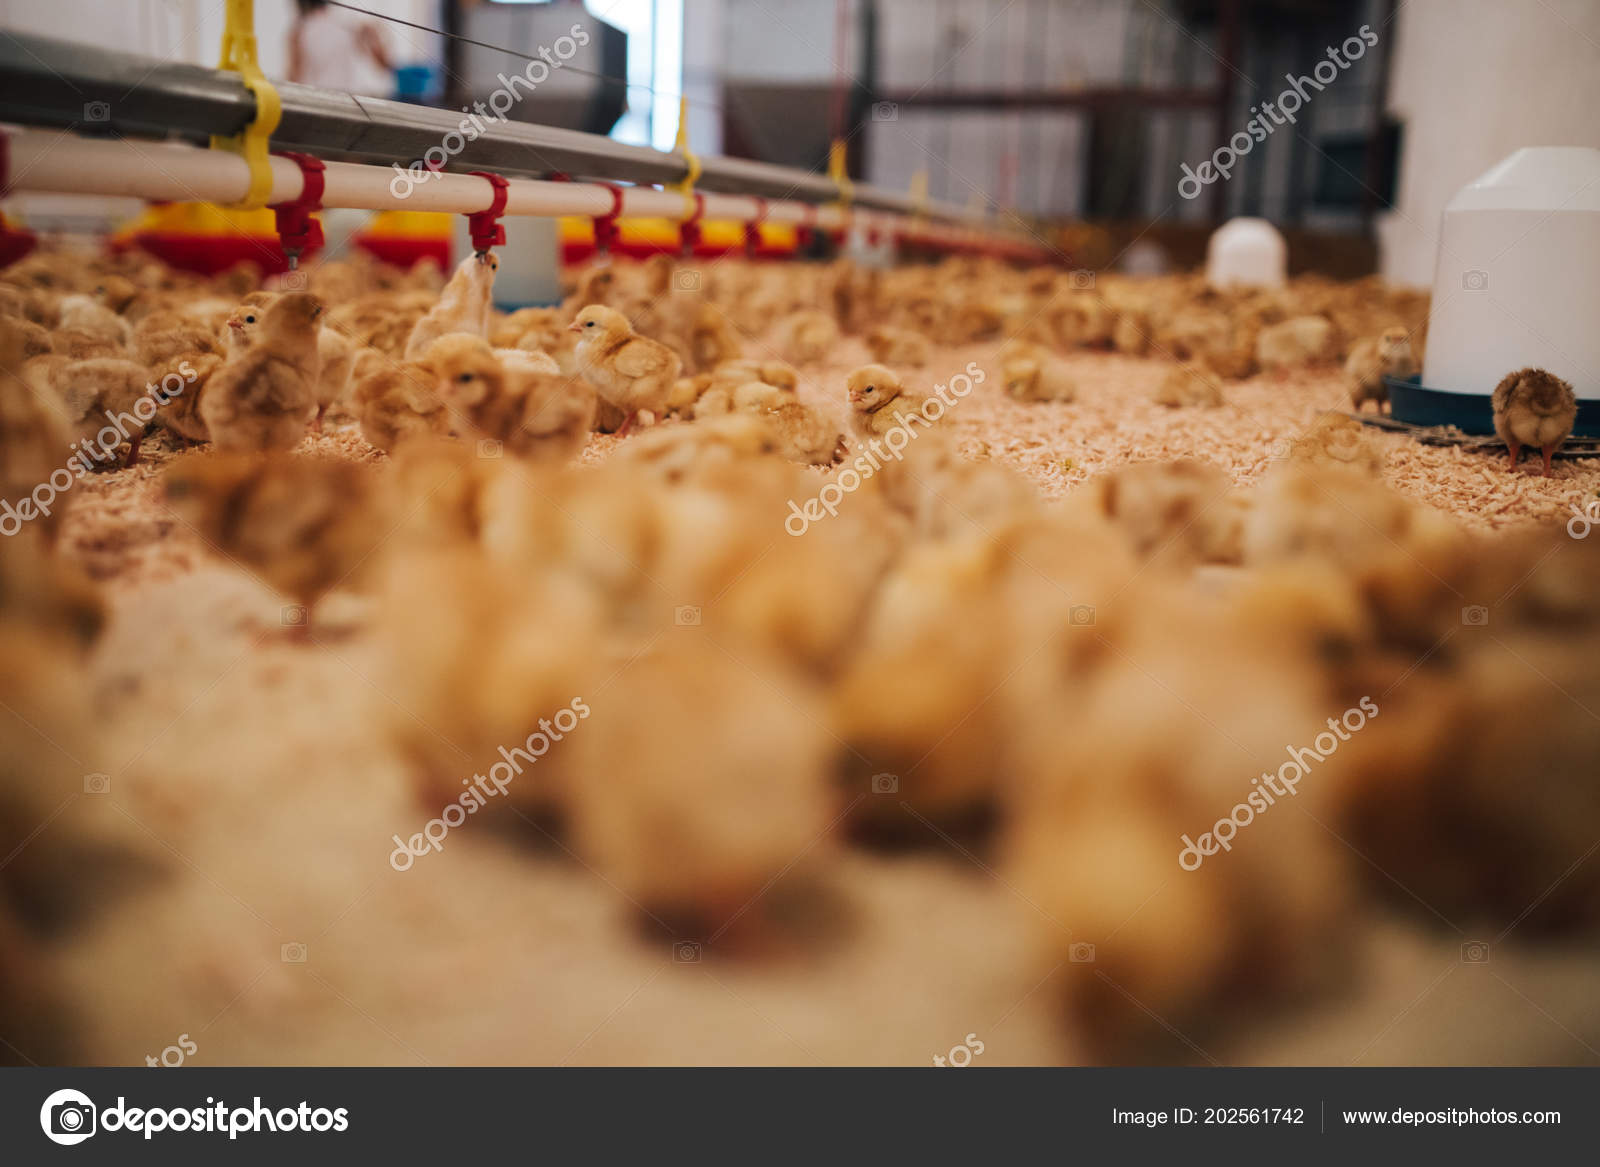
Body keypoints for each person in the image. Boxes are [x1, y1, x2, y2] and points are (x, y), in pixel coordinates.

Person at [287, 0, 395, 96]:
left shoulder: (298, 31)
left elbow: (294, 76)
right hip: (347, 100)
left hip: (319, 100)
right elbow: (385, 64)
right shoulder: (352, 20)